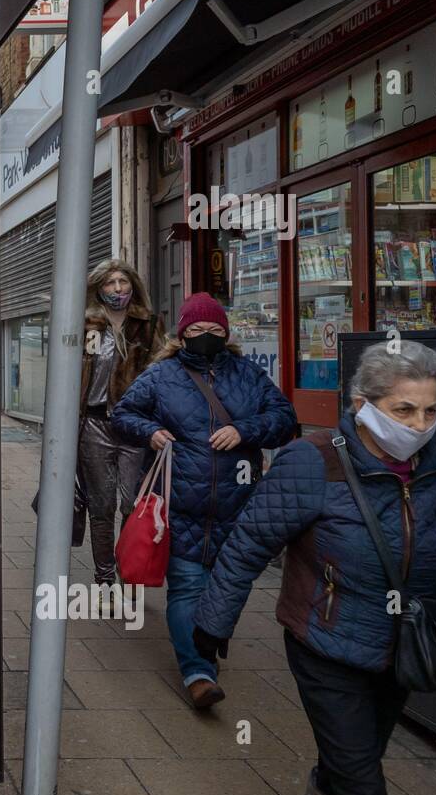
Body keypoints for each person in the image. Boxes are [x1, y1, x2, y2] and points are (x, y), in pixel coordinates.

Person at [194, 341, 436, 795]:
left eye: (431, 410)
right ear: (362, 406)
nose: (419, 424)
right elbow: (248, 544)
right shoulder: (313, 462)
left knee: (349, 764)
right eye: (404, 410)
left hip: (402, 651)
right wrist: (212, 623)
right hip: (326, 647)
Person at [111, 292, 296, 708]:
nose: (205, 336)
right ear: (182, 334)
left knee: (223, 589)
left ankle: (207, 645)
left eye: (214, 330)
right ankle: (197, 673)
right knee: (187, 588)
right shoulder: (161, 376)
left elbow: (286, 420)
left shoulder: (249, 375)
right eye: (196, 330)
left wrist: (245, 431)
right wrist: (150, 432)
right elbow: (123, 415)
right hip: (180, 504)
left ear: (226, 333)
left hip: (237, 506)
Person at [76, 258, 164, 587]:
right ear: (98, 288)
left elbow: (162, 372)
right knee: (101, 506)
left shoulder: (148, 324)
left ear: (132, 286)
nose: (117, 289)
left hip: (134, 425)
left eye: (122, 282)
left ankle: (129, 572)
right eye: (110, 283)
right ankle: (105, 580)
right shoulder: (85, 326)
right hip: (95, 424)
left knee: (131, 503)